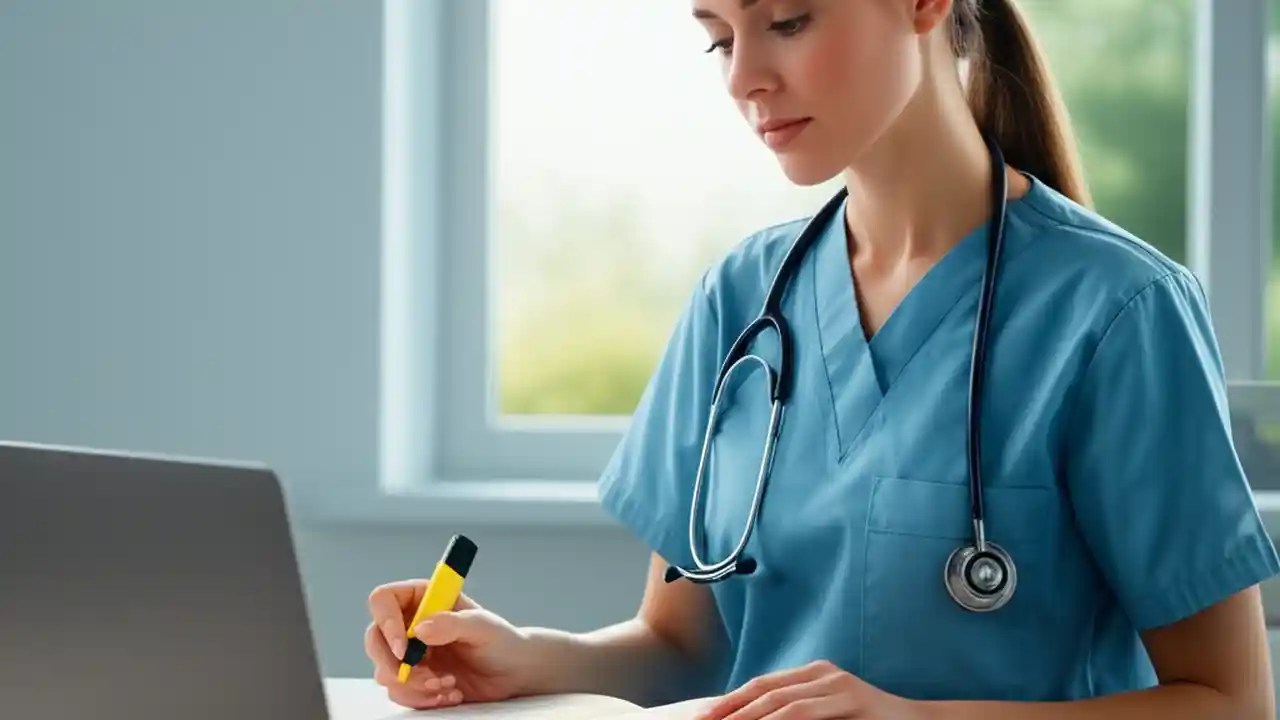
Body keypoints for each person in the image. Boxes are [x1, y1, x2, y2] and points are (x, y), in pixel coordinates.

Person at [364, 0, 1280, 717]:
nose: (745, 80)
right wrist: (525, 656)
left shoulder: (1118, 311)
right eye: (720, 39)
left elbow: (1231, 702)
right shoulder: (740, 299)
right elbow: (683, 649)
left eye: (788, 22)